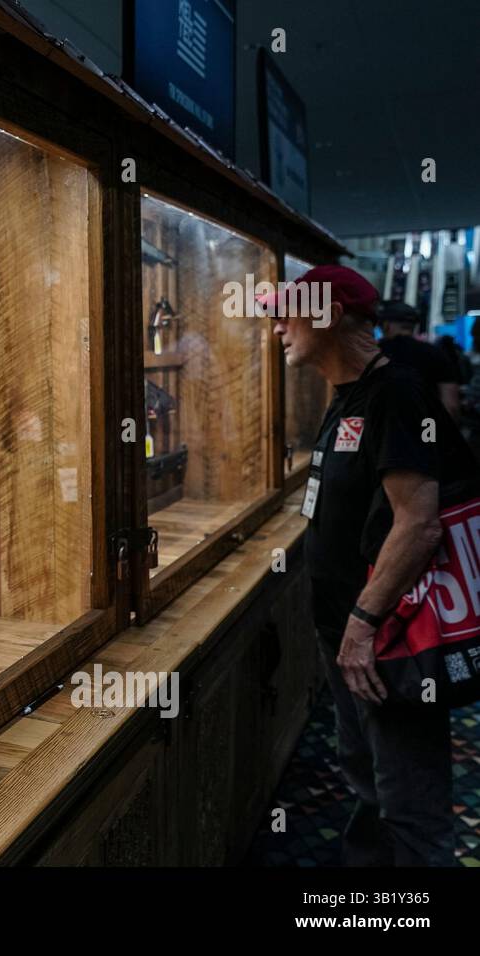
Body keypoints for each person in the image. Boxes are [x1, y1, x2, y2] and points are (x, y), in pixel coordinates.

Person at [267, 265, 478, 866]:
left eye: (289, 311)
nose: (277, 324)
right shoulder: (350, 394)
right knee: (365, 774)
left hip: (389, 633)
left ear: (330, 315)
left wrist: (362, 624)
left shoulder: (397, 392)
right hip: (351, 631)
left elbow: (419, 521)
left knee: (408, 799)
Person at [377, 301, 461, 420]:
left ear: (385, 325)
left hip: (381, 430)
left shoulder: (373, 354)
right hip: (426, 428)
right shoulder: (436, 354)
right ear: (414, 326)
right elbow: (451, 405)